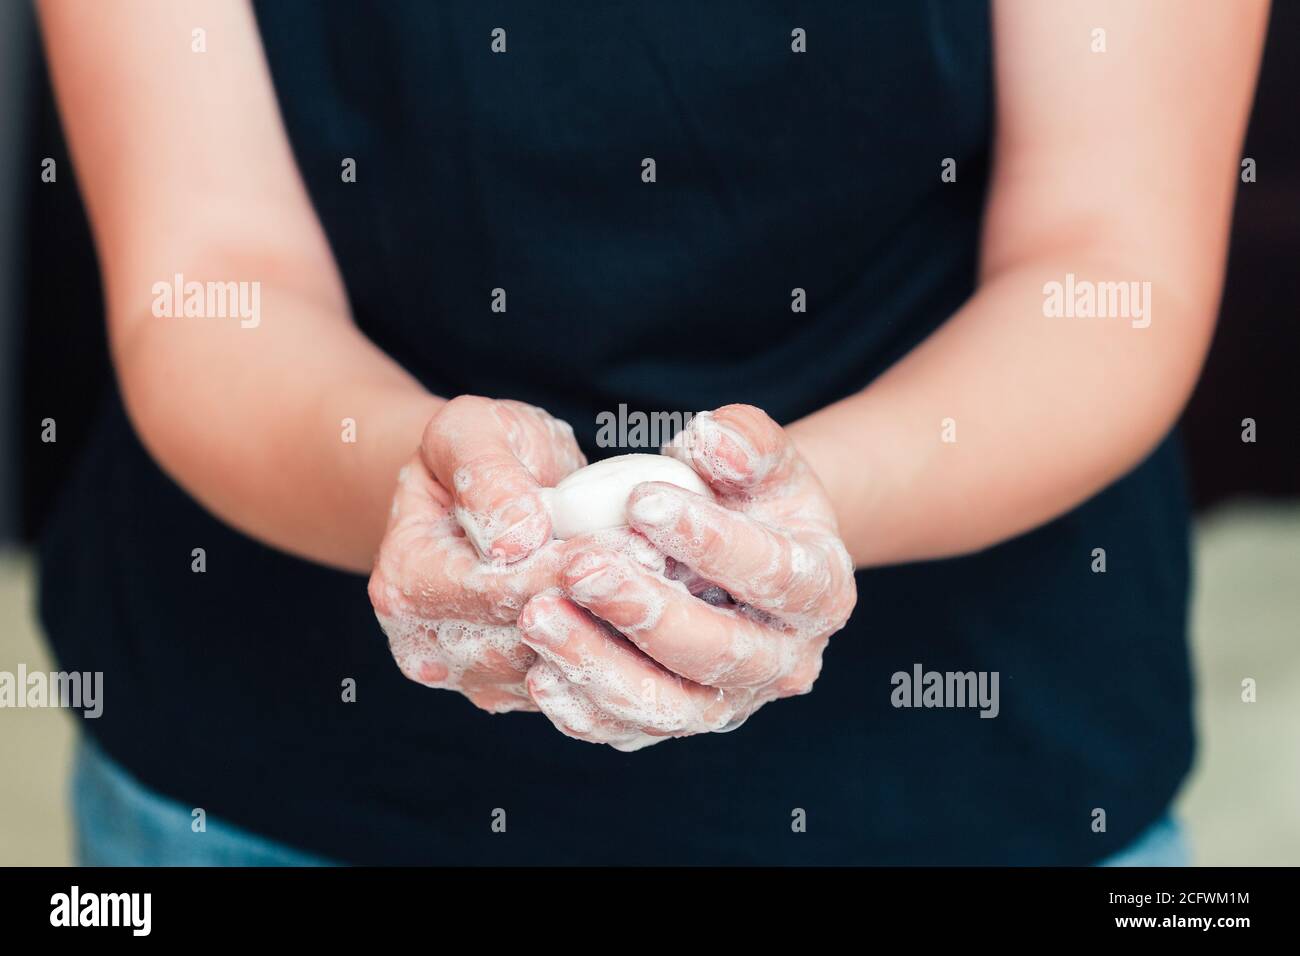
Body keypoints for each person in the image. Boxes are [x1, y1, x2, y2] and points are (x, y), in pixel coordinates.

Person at [35, 0, 1267, 865]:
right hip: (277, 772)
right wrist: (422, 488)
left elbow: (1106, 261)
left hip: (974, 769)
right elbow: (204, 279)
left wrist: (804, 511)